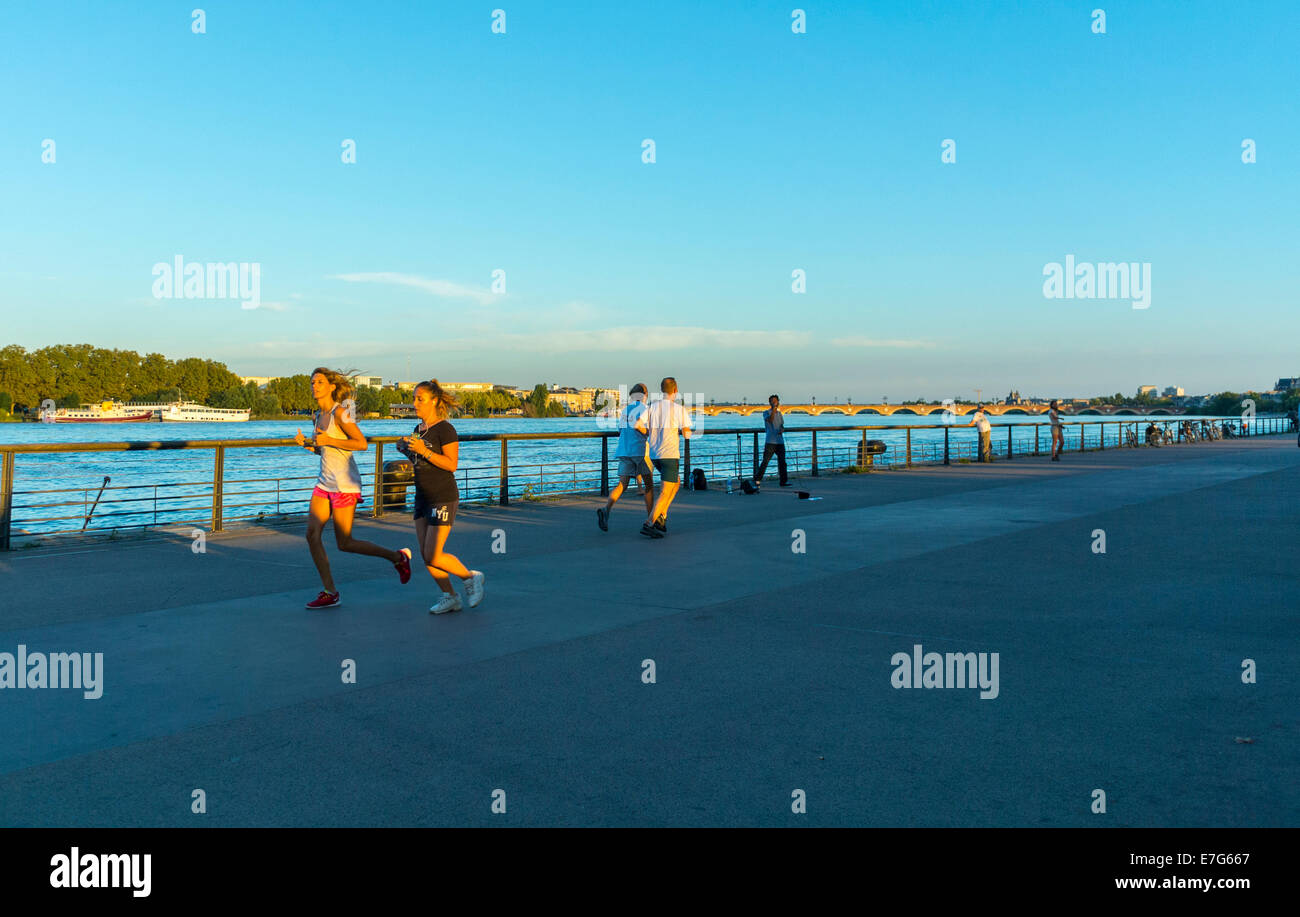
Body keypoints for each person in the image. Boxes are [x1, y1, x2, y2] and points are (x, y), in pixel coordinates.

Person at [295, 367, 412, 608]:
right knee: (311, 534)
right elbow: (325, 449)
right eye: (312, 382)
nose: (314, 386)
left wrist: (328, 440)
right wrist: (309, 445)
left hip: (345, 485)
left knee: (345, 542)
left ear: (331, 386)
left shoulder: (341, 413)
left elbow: (360, 443)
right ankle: (330, 591)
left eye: (319, 382)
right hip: (324, 483)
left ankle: (397, 557)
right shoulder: (317, 415)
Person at [396, 379, 485, 614]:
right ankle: (451, 596)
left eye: (419, 399)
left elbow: (451, 464)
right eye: (413, 398)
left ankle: (470, 577)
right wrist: (408, 451)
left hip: (442, 496)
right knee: (427, 556)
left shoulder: (445, 429)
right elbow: (422, 463)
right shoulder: (418, 430)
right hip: (422, 497)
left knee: (434, 553)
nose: (414, 403)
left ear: (434, 401)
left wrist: (424, 450)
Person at [637, 376, 693, 538]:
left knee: (675, 483)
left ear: (662, 390)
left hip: (655, 454)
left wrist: (649, 434)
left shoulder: (652, 407)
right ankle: (649, 523)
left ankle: (662, 515)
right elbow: (687, 434)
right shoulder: (678, 409)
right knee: (664, 491)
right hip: (669, 454)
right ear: (675, 390)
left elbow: (637, 425)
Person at [598, 383, 655, 532]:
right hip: (640, 451)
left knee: (622, 484)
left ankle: (606, 509)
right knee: (649, 486)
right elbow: (646, 429)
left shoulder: (625, 411)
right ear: (645, 395)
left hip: (624, 450)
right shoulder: (646, 410)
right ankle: (651, 520)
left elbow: (620, 430)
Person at [753, 394, 789, 486]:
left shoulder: (780, 414)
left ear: (778, 402)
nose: (774, 403)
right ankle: (757, 479)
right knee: (765, 461)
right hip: (770, 441)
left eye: (775, 401)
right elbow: (770, 420)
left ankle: (783, 481)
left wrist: (782, 429)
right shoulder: (766, 413)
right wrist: (773, 409)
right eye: (772, 401)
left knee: (782, 462)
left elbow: (782, 425)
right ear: (769, 403)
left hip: (780, 441)